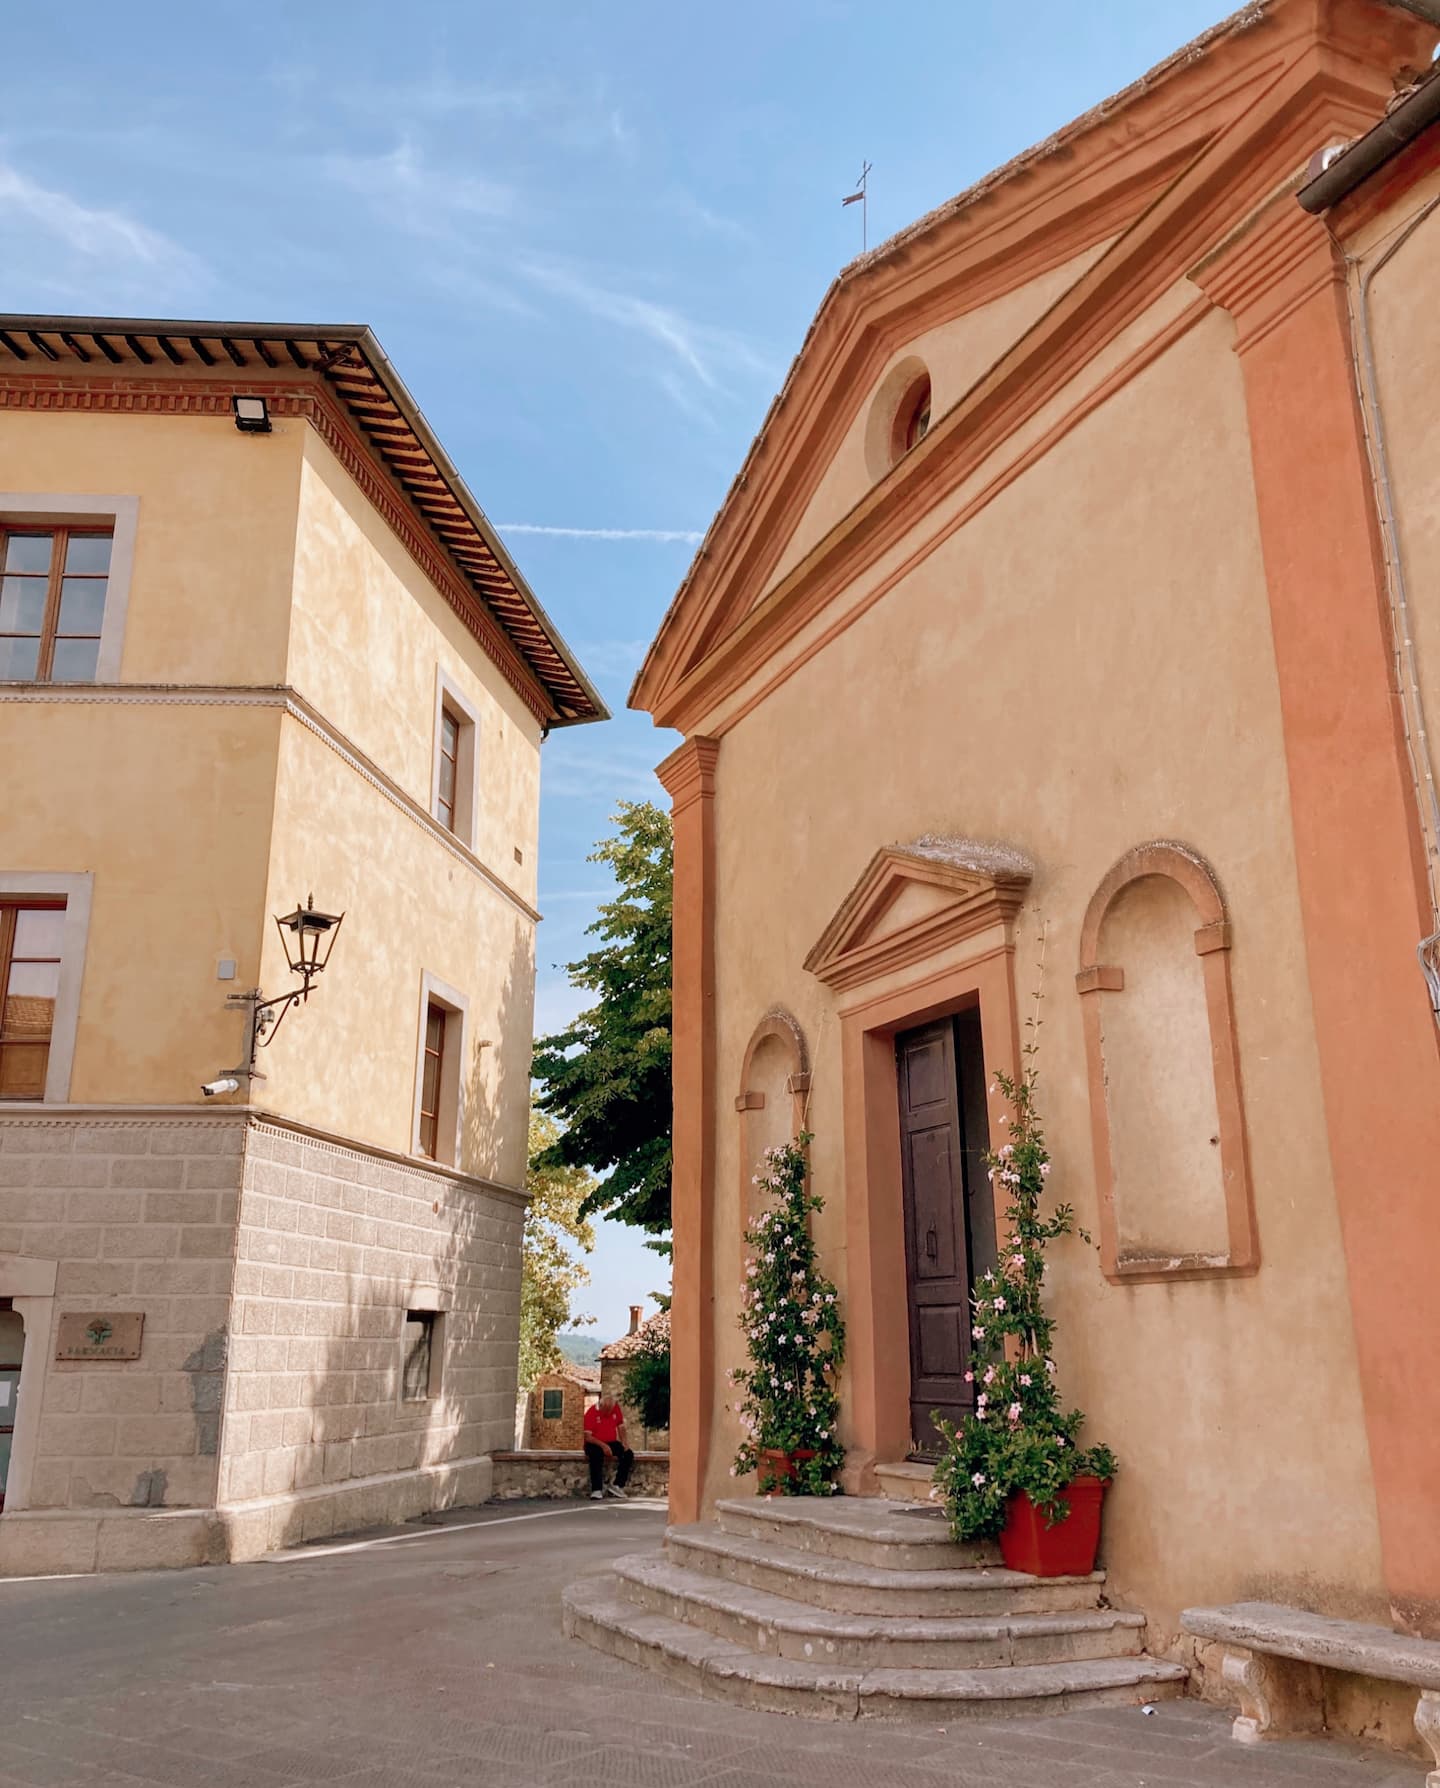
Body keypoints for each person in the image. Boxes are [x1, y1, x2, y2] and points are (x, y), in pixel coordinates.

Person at [583, 1388, 633, 1500]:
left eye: (610, 1411)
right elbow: (588, 1437)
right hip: (594, 1442)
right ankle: (596, 1489)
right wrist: (603, 1446)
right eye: (606, 1412)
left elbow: (621, 1426)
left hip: (611, 1441)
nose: (609, 1414)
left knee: (628, 1454)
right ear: (601, 1407)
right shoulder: (591, 1413)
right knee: (596, 1455)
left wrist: (624, 1442)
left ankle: (617, 1485)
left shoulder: (615, 1408)